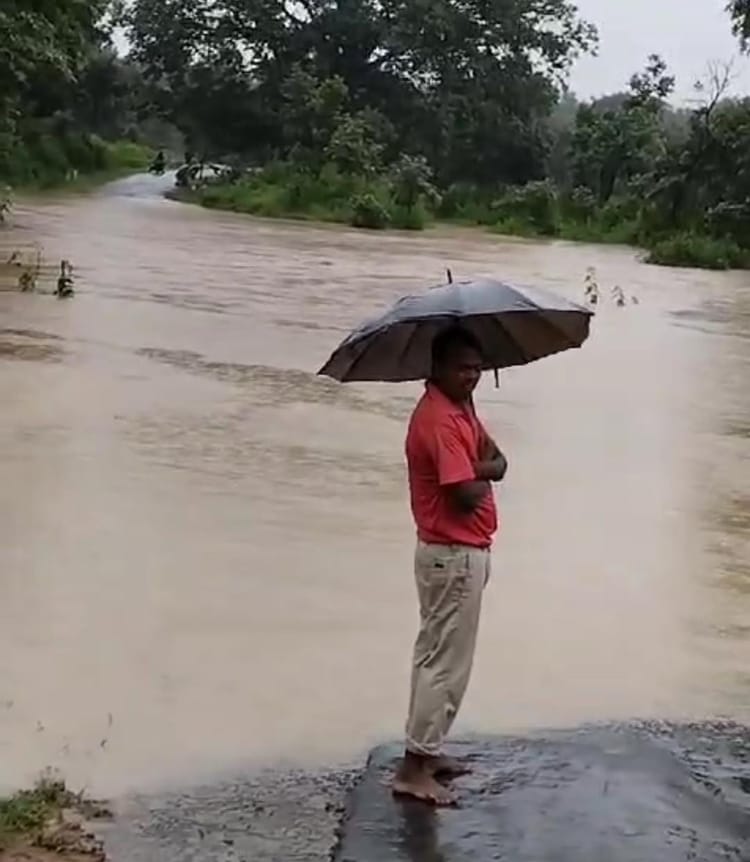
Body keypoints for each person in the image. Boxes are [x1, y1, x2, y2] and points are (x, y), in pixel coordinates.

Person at [393, 326, 508, 806]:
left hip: (456, 553)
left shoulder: (460, 412)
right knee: (445, 663)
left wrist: (481, 466)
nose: (472, 376)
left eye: (477, 368)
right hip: (452, 553)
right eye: (462, 367)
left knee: (435, 655)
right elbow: (466, 491)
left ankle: (427, 752)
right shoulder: (440, 420)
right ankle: (415, 767)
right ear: (436, 368)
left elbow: (499, 461)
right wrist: (481, 470)